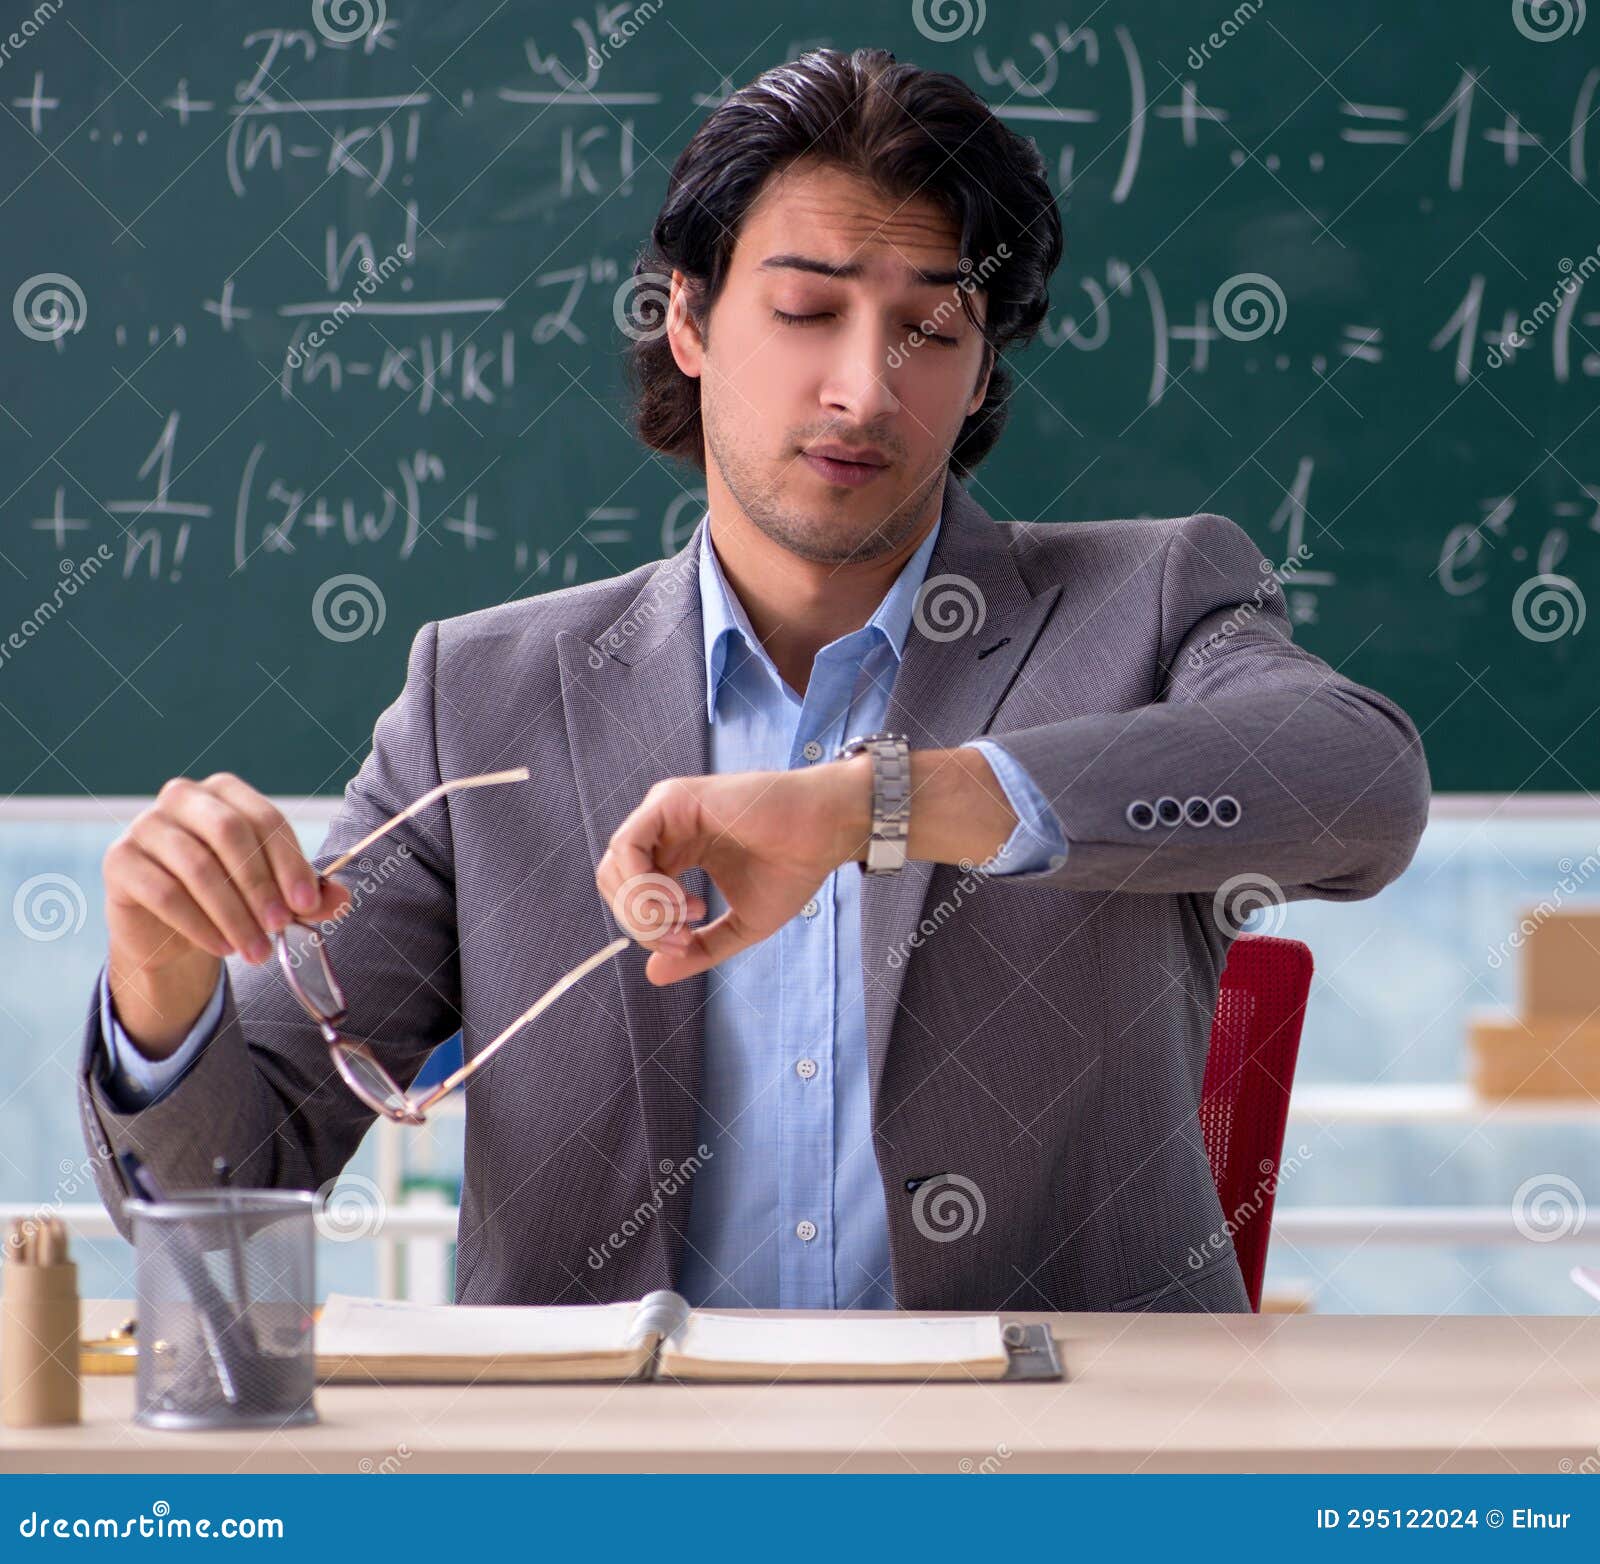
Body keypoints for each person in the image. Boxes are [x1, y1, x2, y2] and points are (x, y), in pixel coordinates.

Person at [78, 48, 1429, 1313]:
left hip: (1048, 1465)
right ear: (691, 320)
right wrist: (157, 979)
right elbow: (216, 1192)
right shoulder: (480, 697)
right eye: (805, 310)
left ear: (979, 375)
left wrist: (872, 809)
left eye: (932, 331)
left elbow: (1358, 783)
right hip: (610, 1485)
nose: (862, 387)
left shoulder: (1149, 601)